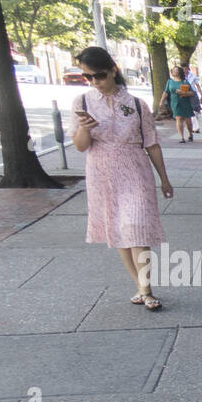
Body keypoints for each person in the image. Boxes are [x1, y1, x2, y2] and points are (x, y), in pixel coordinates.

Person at [72, 46, 173, 311]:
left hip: (134, 169)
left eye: (99, 75)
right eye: (88, 77)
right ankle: (141, 287)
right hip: (101, 172)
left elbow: (151, 143)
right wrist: (84, 128)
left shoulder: (137, 105)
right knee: (118, 230)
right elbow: (80, 146)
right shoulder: (82, 103)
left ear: (113, 70)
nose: (95, 82)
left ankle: (146, 289)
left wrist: (164, 178)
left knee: (137, 228)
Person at [160, 65, 195, 142]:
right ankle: (182, 137)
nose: (175, 71)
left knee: (187, 120)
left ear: (179, 72)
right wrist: (161, 102)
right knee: (178, 118)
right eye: (173, 70)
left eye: (176, 70)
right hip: (175, 102)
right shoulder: (169, 81)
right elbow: (166, 92)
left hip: (185, 102)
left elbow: (192, 92)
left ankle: (190, 134)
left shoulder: (185, 81)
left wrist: (183, 92)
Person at [182, 62, 202, 134]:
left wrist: (201, 95)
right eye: (183, 69)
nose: (184, 70)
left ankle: (195, 126)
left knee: (195, 111)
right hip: (184, 95)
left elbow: (198, 86)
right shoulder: (180, 77)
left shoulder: (193, 76)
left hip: (193, 94)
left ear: (188, 68)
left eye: (185, 68)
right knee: (190, 112)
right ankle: (195, 127)